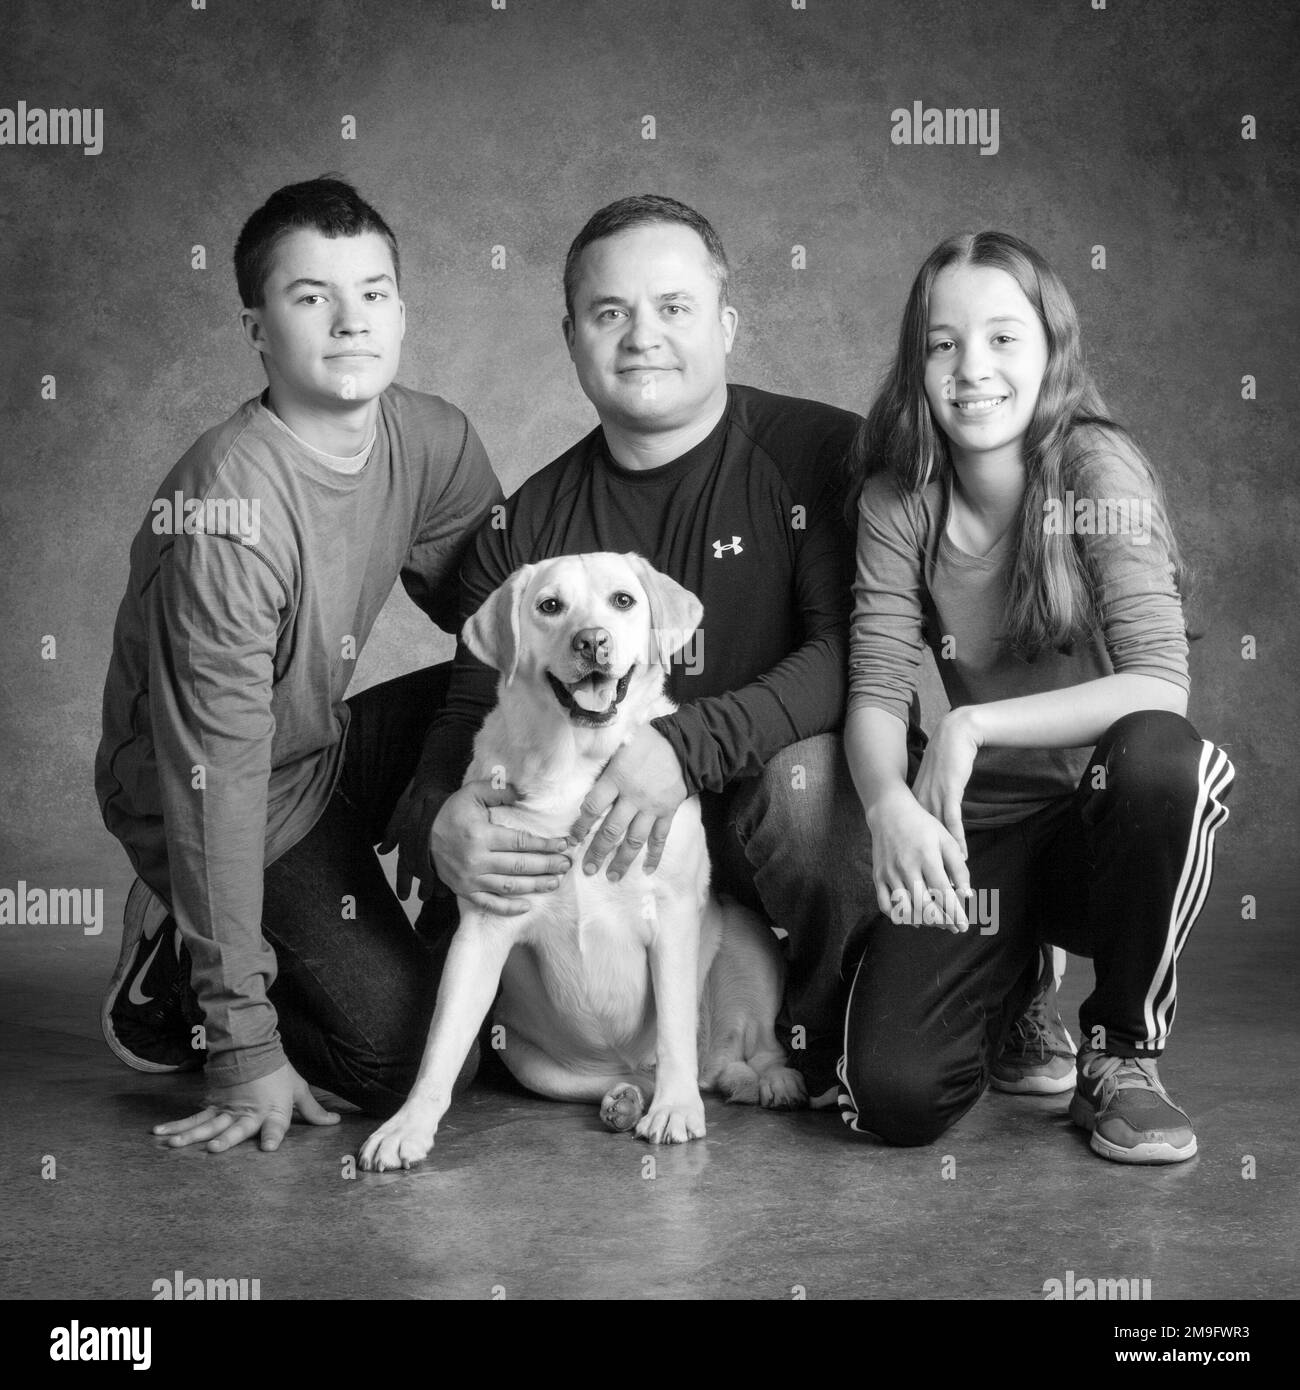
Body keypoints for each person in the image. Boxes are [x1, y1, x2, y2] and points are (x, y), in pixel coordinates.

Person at [387, 195, 1060, 1104]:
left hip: (784, 807)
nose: (642, 338)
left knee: (809, 784)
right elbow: (473, 707)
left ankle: (853, 1026)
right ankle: (659, 1054)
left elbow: (852, 655)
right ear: (571, 336)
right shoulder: (531, 525)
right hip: (626, 851)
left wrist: (681, 747)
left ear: (727, 325)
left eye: (673, 307)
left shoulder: (820, 453)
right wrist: (439, 817)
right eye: (610, 313)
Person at [94, 176, 538, 1154]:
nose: (350, 322)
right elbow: (216, 784)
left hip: (319, 750)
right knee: (416, 1064)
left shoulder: (431, 437)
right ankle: (180, 967)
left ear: (401, 308)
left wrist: (449, 788)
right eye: (310, 297)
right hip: (215, 798)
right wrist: (241, 1047)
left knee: (542, 695)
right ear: (256, 325)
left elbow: (504, 629)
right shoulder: (228, 515)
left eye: (373, 292)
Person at [839, 230, 1235, 1162]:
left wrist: (971, 723)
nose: (972, 368)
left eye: (1003, 338)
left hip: (1111, 829)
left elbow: (1160, 685)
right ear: (918, 362)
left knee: (1159, 758)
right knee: (892, 1096)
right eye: (944, 343)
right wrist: (889, 800)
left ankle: (1121, 1054)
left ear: (1052, 350)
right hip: (993, 829)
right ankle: (1013, 979)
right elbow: (876, 685)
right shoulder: (898, 499)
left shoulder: (1098, 471)